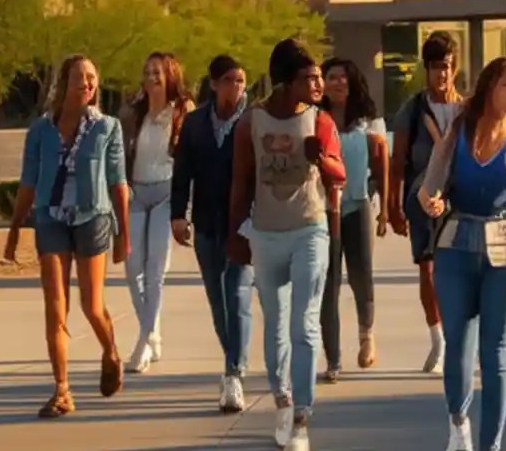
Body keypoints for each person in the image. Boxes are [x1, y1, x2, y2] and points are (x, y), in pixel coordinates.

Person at [416, 56, 506, 451]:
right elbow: (428, 189)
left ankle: (492, 444)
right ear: (490, 88)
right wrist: (430, 203)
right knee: (458, 345)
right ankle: (459, 423)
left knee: (498, 350)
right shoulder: (458, 133)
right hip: (457, 244)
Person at [228, 39, 346, 451]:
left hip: (310, 229)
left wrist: (321, 158)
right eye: (309, 78)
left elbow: (339, 174)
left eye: (319, 77)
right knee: (276, 322)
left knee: (304, 324)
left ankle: (301, 417)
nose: (318, 84)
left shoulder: (321, 121)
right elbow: (241, 181)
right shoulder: (251, 122)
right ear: (285, 82)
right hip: (265, 233)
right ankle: (281, 398)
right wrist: (234, 236)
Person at [4, 54, 130, 418]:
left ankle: (110, 353)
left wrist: (123, 234)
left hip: (93, 218)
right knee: (55, 306)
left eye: (92, 77)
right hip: (50, 219)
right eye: (80, 77)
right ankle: (62, 390)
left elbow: (118, 183)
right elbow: (28, 182)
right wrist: (14, 229)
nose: (88, 83)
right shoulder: (40, 131)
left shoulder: (107, 128)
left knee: (92, 306)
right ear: (64, 83)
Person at [171, 54, 254, 412]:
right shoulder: (194, 124)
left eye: (241, 81)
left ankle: (234, 373)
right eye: (230, 81)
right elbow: (182, 172)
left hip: (244, 223)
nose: (236, 88)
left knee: (236, 293)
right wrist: (178, 214)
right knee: (217, 300)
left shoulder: (254, 120)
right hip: (205, 221)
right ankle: (232, 359)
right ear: (214, 83)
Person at [388, 30, 464, 373]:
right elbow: (397, 158)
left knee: (458, 272)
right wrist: (392, 205)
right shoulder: (414, 109)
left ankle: (458, 337)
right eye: (435, 67)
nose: (442, 74)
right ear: (426, 69)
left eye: (447, 66)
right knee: (429, 269)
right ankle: (439, 341)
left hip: (460, 200)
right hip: (421, 196)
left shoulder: (466, 109)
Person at [119, 52, 194, 374]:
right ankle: (153, 334)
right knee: (132, 268)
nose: (151, 78)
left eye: (158, 73)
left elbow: (190, 159)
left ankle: (143, 343)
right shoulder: (134, 113)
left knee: (155, 271)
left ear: (170, 76)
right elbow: (122, 152)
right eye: (147, 72)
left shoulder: (182, 111)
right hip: (137, 193)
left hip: (166, 194)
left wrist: (187, 205)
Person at [318, 57, 390, 382]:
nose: (337, 83)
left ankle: (366, 335)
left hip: (358, 204)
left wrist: (385, 208)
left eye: (343, 78)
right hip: (323, 210)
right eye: (331, 77)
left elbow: (382, 164)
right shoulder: (315, 119)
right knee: (328, 284)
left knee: (361, 275)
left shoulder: (369, 122)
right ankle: (333, 359)